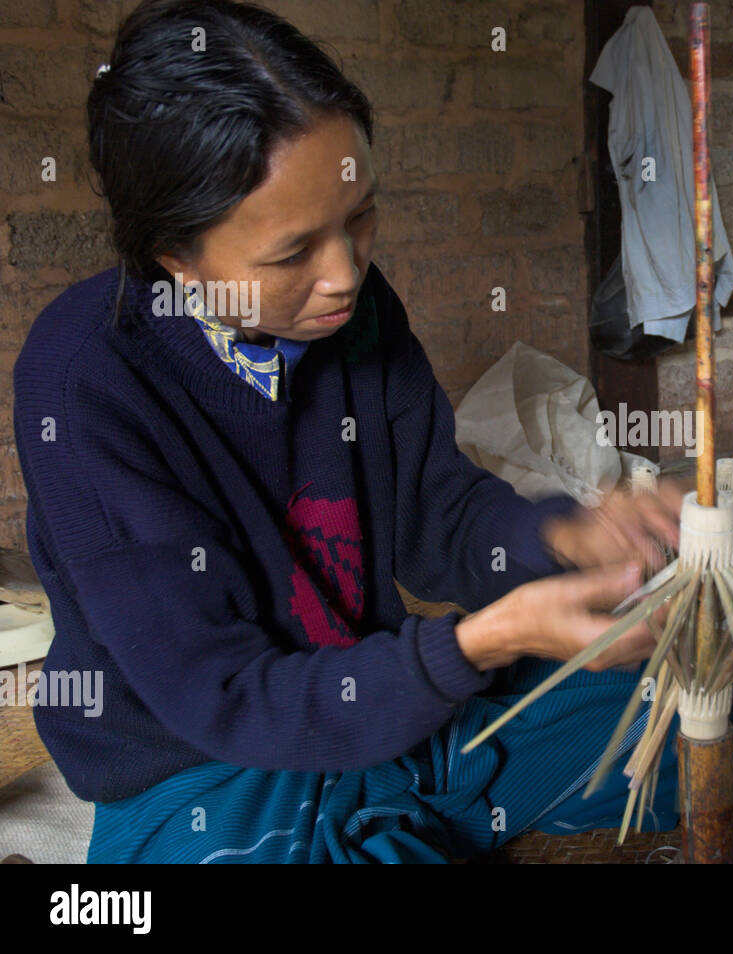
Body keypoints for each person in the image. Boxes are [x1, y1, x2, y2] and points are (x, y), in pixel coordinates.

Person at [13, 0, 681, 863]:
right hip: (209, 775)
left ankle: (399, 805)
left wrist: (565, 533)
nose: (344, 274)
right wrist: (483, 641)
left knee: (666, 721)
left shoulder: (356, 315)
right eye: (293, 254)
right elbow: (223, 695)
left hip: (374, 701)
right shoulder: (88, 381)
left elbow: (436, 511)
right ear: (174, 255)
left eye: (360, 216)